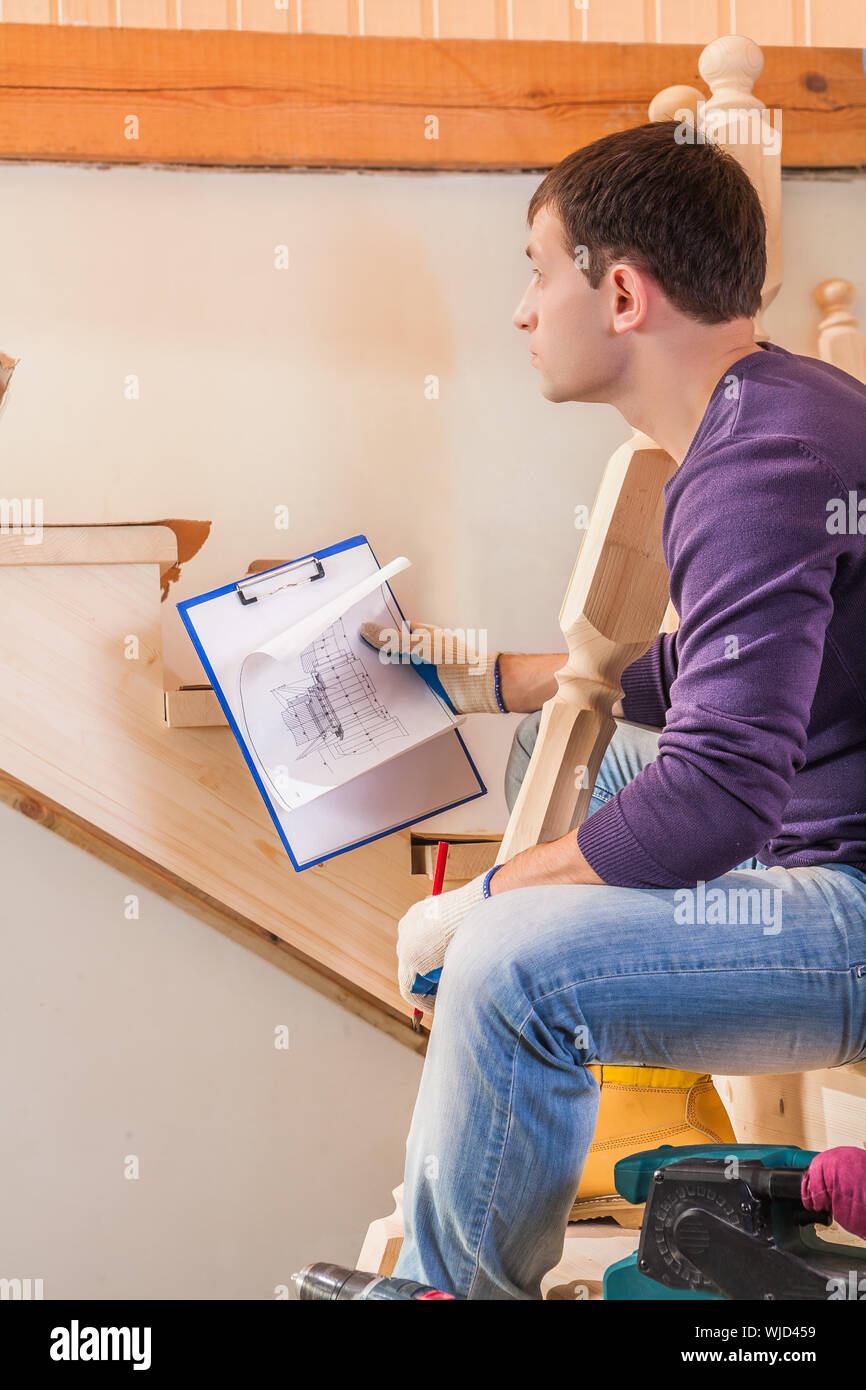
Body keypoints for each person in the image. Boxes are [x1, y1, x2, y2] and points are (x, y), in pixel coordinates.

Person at [363, 121, 866, 1299]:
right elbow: (749, 669)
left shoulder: (751, 468)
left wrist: (489, 896)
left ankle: (445, 1288)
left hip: (850, 903)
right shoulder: (785, 407)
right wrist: (504, 677)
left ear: (623, 292)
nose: (525, 311)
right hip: (827, 826)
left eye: (539, 272)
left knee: (508, 967)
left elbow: (717, 800)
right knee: (565, 742)